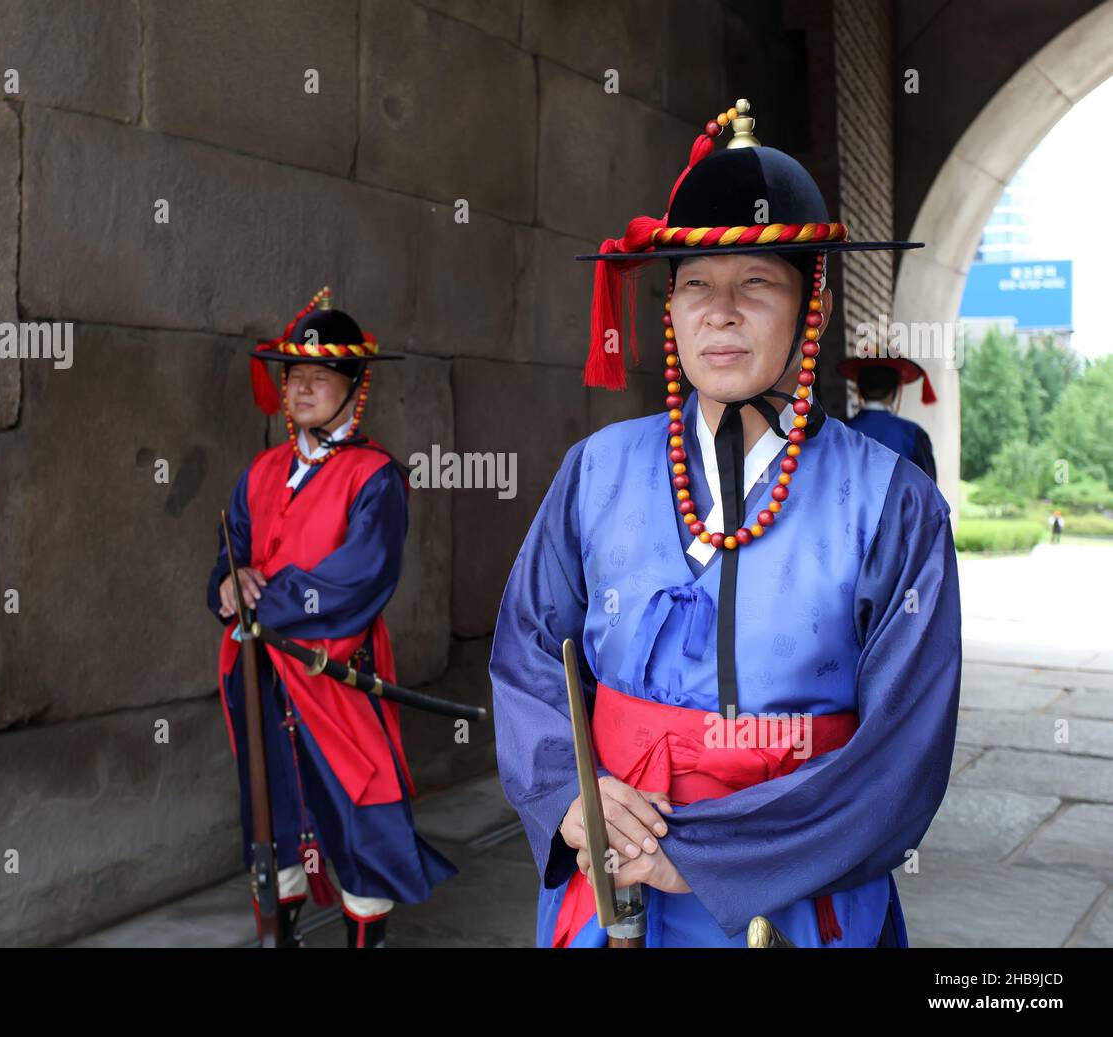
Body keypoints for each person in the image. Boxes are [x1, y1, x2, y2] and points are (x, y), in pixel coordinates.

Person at [490, 99, 962, 947]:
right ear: (668, 311)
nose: (722, 311)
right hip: (616, 864)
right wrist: (568, 792)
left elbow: (906, 748)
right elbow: (528, 649)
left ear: (809, 307)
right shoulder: (595, 471)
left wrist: (713, 853)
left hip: (798, 885)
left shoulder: (892, 501)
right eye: (696, 285)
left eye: (757, 283)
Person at [208, 287, 456, 948]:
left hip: (334, 672)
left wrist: (270, 597)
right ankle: (278, 932)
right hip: (260, 672)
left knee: (355, 807)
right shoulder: (259, 472)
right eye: (295, 376)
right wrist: (229, 586)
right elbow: (229, 556)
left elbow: (361, 577)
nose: (303, 387)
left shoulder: (375, 477)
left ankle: (363, 937)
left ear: (354, 385)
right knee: (274, 805)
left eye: (322, 377)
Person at [837, 355, 939, 480]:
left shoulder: (839, 432)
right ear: (895, 391)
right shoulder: (913, 434)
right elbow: (927, 491)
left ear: (859, 389)